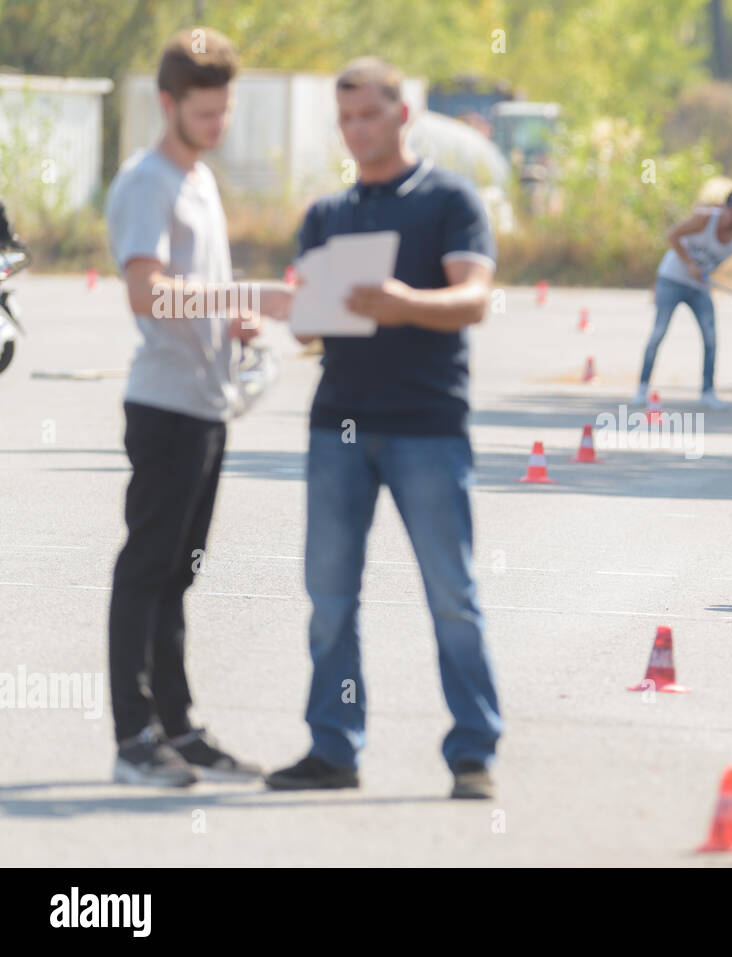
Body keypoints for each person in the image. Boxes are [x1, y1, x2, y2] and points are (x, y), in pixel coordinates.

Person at [264, 57, 503, 800]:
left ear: (403, 116)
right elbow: (310, 324)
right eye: (346, 118)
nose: (357, 129)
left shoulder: (450, 199)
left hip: (427, 425)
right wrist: (278, 321)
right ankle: (334, 749)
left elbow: (475, 299)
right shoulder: (326, 216)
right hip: (336, 425)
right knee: (330, 598)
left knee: (452, 595)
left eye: (369, 114)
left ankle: (473, 752)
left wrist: (403, 301)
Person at [104, 27, 290, 786]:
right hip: (164, 406)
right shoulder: (145, 182)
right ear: (167, 104)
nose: (218, 127)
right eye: (205, 115)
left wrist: (235, 320)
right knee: (145, 569)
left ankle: (178, 726)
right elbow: (147, 293)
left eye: (225, 113)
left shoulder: (202, 181)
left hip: (209, 405)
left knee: (179, 574)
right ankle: (133, 738)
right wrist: (250, 294)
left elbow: (196, 290)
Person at [634, 187, 732, 410]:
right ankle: (642, 388)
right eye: (731, 211)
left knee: (710, 337)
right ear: (724, 207)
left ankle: (708, 392)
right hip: (671, 279)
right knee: (659, 332)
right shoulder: (704, 220)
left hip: (698, 287)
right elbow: (672, 235)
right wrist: (689, 263)